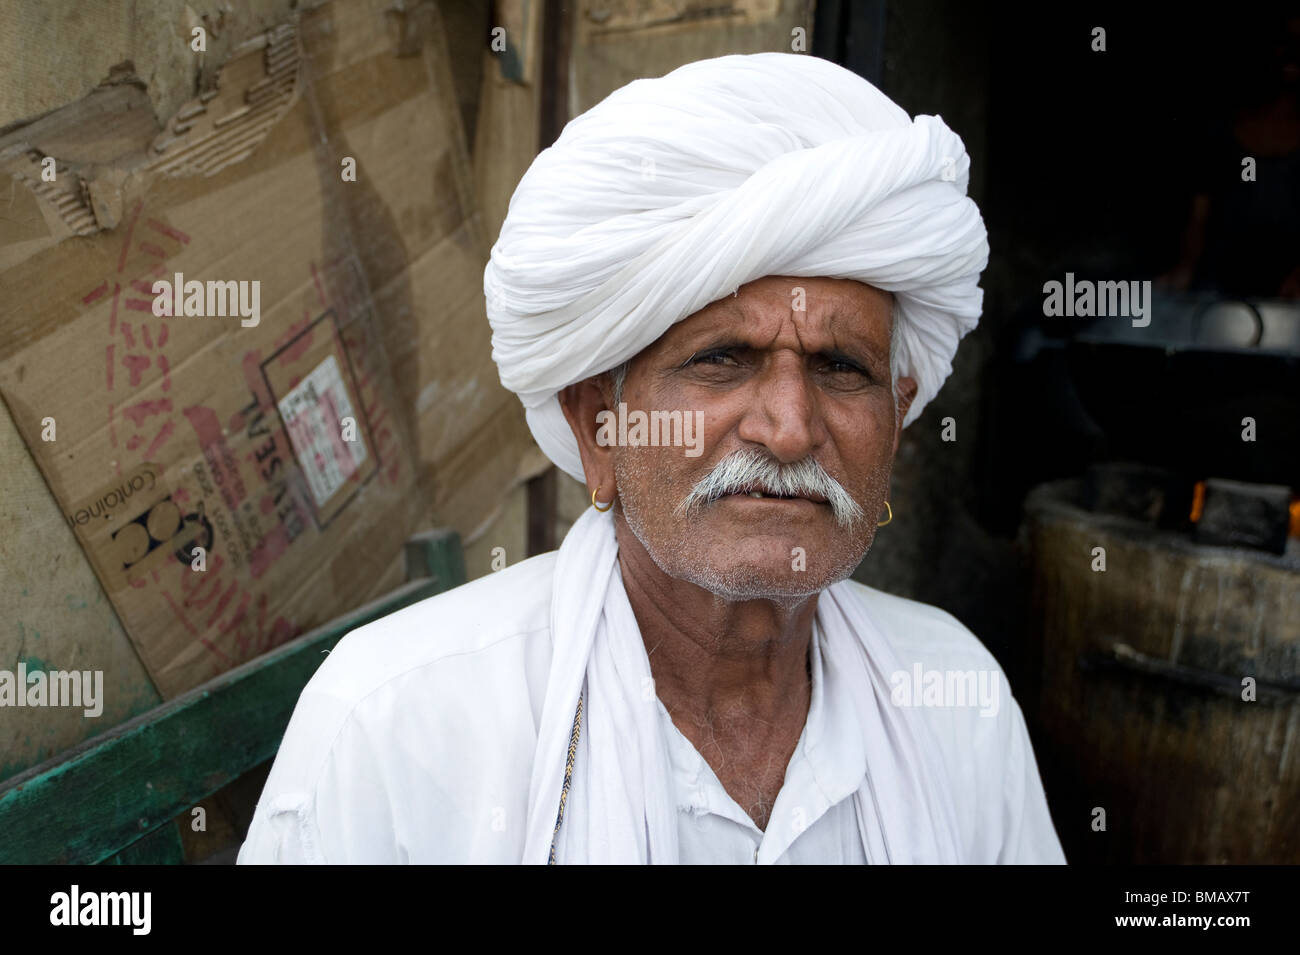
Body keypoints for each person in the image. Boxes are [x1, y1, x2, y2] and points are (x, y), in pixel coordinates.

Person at [238, 52, 1065, 864]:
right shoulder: (395, 726)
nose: (788, 428)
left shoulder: (956, 696)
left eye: (841, 368)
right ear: (602, 426)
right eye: (724, 359)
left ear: (896, 420)